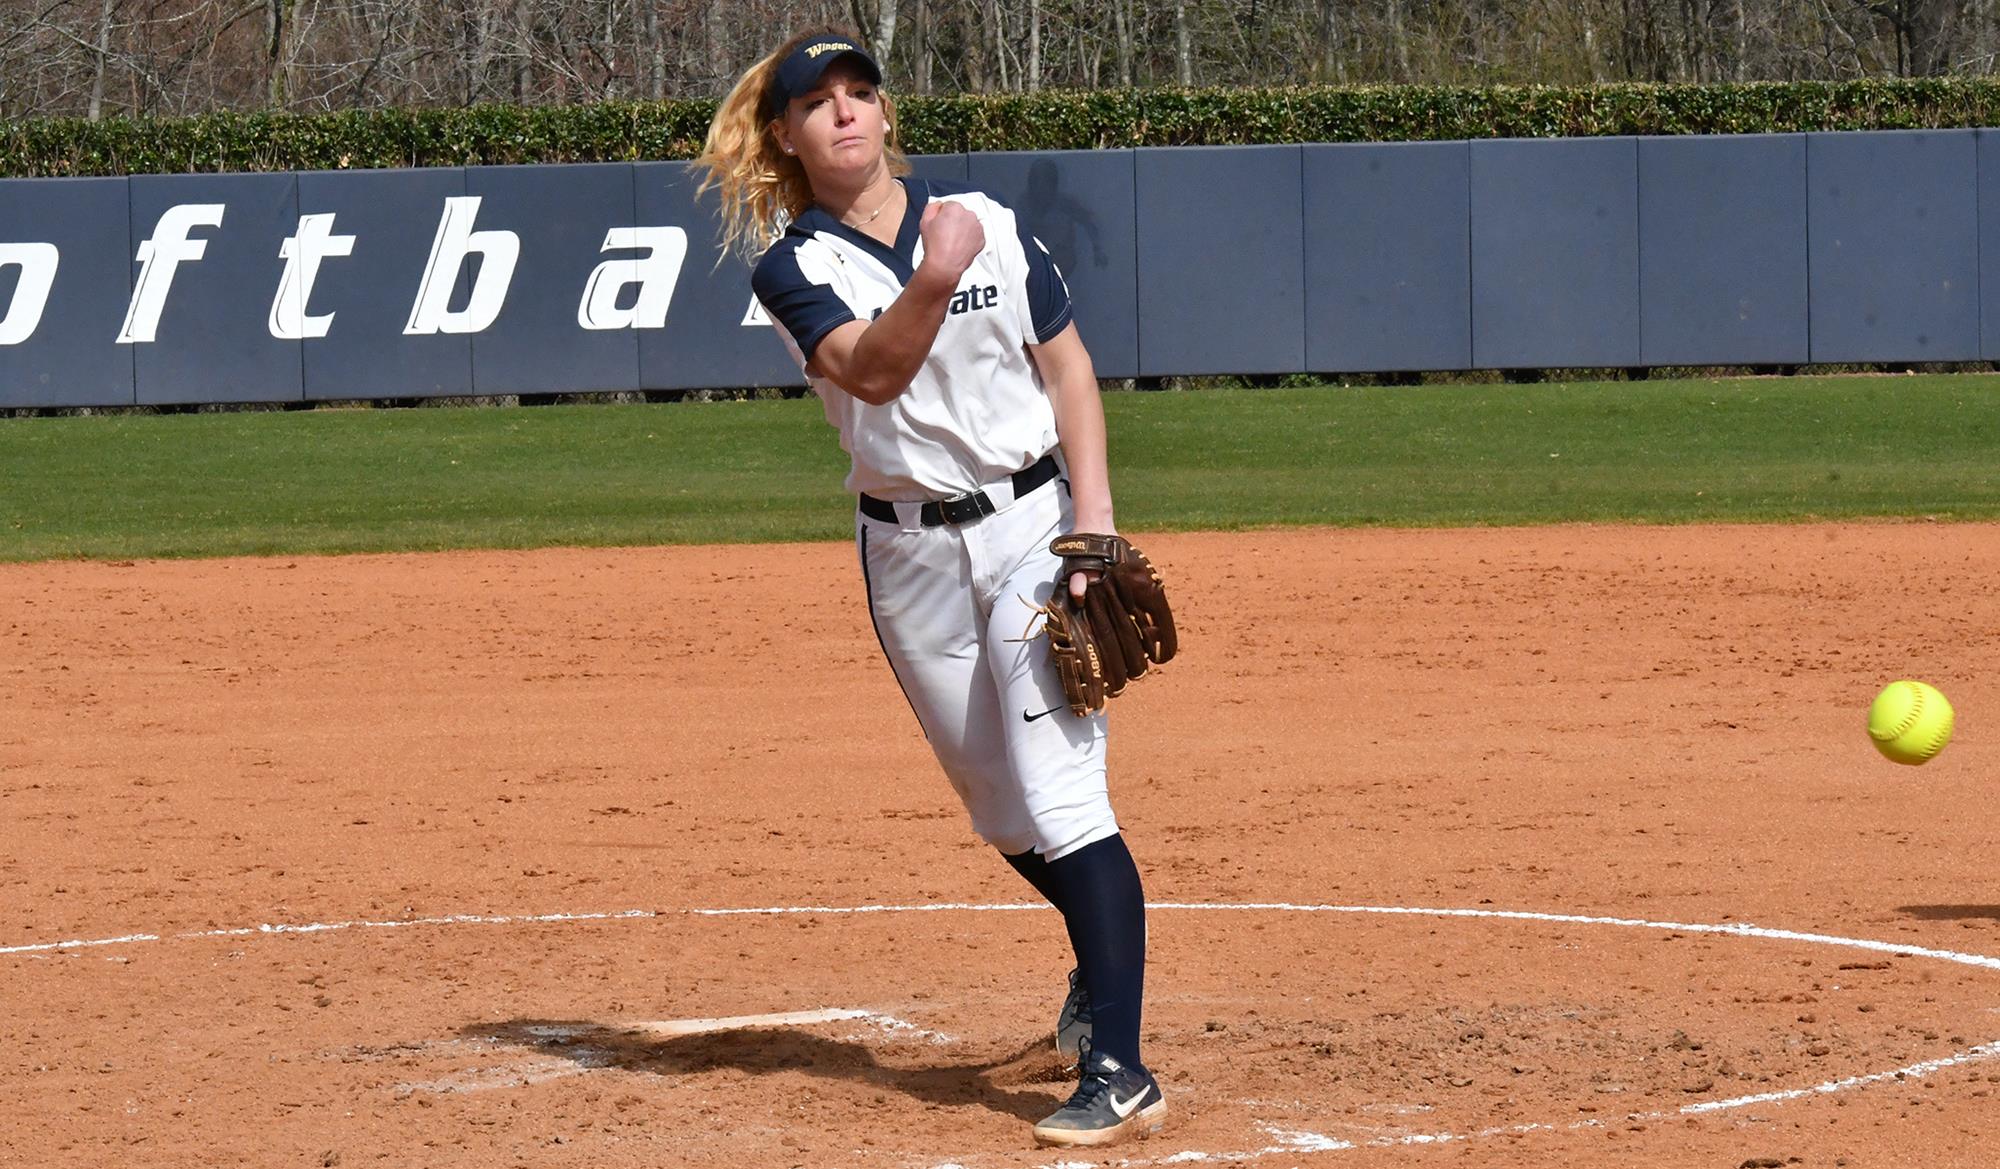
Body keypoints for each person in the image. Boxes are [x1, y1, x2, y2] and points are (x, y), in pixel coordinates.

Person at [696, 28, 1166, 1150]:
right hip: (906, 556)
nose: (847, 112)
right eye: (820, 102)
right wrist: (934, 272)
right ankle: (1100, 966)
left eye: (862, 91)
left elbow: (1068, 369)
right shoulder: (793, 267)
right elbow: (869, 367)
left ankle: (1121, 1064)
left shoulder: (988, 223)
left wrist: (1091, 526)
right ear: (787, 136)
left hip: (1029, 531)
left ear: (884, 111)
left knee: (1059, 790)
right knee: (1001, 809)